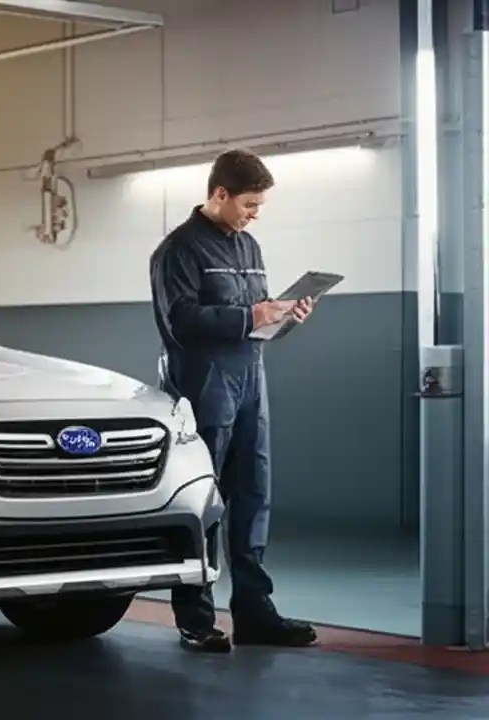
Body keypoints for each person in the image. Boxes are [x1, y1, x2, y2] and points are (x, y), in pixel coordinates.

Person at [148, 148, 319, 653]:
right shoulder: (177, 251)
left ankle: (255, 612)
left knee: (252, 495)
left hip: (250, 380)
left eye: (259, 206)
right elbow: (178, 320)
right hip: (202, 385)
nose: (254, 214)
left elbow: (255, 319)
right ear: (219, 194)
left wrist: (283, 317)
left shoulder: (250, 247)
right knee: (202, 501)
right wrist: (252, 315)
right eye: (248, 203)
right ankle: (196, 620)